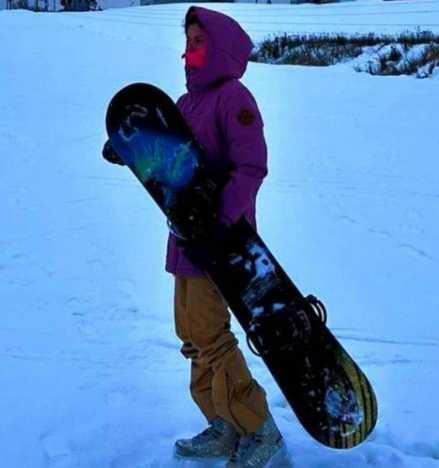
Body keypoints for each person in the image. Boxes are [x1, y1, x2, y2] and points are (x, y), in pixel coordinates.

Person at [102, 6, 284, 468]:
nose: (190, 49)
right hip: (184, 240)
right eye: (188, 40)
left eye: (200, 40)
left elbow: (251, 167)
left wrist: (220, 220)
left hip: (222, 240)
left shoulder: (234, 98)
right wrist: (133, 147)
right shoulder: (184, 104)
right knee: (190, 334)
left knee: (211, 333)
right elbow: (171, 162)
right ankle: (224, 424)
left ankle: (260, 431)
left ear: (219, 46)